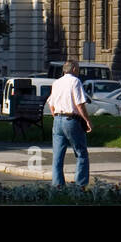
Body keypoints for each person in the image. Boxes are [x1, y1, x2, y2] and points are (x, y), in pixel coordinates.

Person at [47, 59, 93, 189]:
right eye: (77, 68)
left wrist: (55, 115)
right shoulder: (75, 81)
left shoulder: (56, 83)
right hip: (71, 120)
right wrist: (87, 120)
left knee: (57, 155)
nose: (78, 70)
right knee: (81, 153)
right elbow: (79, 104)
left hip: (57, 119)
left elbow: (50, 103)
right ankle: (80, 185)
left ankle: (57, 185)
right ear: (73, 69)